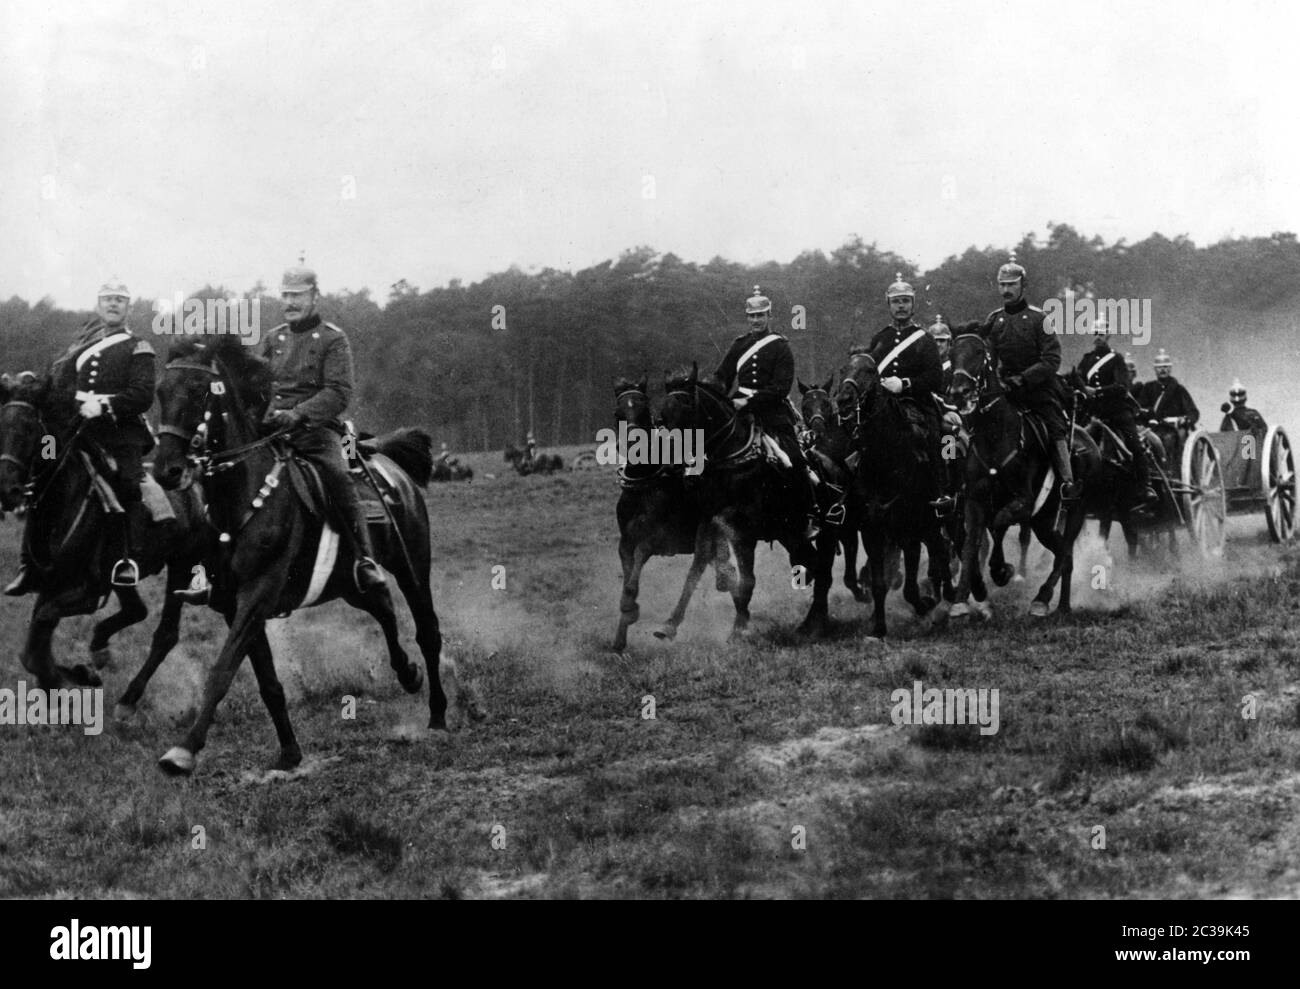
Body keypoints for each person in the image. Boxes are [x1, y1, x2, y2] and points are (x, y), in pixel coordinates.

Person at [5, 279, 156, 595]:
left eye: (119, 300)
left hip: (119, 434)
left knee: (129, 484)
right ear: (99, 306)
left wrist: (103, 404)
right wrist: (28, 384)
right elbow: (56, 383)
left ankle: (126, 562)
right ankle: (28, 565)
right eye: (107, 299)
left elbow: (142, 395)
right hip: (71, 431)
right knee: (42, 469)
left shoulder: (138, 346)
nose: (113, 304)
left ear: (127, 307)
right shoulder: (80, 345)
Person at [258, 264, 385, 592]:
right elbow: (257, 388)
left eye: (297, 295)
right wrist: (263, 413)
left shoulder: (332, 338)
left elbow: (338, 392)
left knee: (337, 475)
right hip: (272, 430)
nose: (290, 302)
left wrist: (298, 414)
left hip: (316, 431)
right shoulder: (273, 339)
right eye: (285, 295)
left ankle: (363, 558)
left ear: (315, 296)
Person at [713, 285, 820, 542]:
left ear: (769, 316)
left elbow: (780, 387)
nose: (756, 320)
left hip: (772, 414)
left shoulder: (780, 346)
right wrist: (717, 395)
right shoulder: (739, 345)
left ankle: (809, 514)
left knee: (794, 459)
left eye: (760, 315)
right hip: (739, 414)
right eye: (752, 316)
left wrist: (747, 403)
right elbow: (722, 377)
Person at [979, 255, 1079, 501]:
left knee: (1055, 426)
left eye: (1011, 284)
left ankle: (1067, 481)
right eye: (1002, 285)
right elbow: (988, 358)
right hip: (1003, 389)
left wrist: (1023, 379)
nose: (1006, 290)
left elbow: (1051, 360)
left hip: (1037, 388)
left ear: (1024, 286)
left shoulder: (1040, 318)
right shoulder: (993, 320)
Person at [863, 277, 951, 513]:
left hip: (917, 403)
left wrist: (904, 384)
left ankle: (941, 493)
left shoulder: (925, 339)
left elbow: (935, 379)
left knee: (936, 437)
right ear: (889, 305)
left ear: (913, 305)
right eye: (896, 302)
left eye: (905, 301)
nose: (901, 306)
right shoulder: (879, 339)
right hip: (883, 406)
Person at [1077, 314, 1156, 506]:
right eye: (1095, 333)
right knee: (1077, 446)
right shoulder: (1086, 360)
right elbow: (1078, 380)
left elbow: (1122, 386)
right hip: (1095, 415)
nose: (1098, 336)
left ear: (1108, 335)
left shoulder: (1116, 359)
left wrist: (1097, 391)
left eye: (1102, 333)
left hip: (1118, 412)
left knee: (1135, 446)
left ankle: (1145, 486)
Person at [1138, 349, 1199, 427]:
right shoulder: (1148, 388)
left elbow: (1193, 412)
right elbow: (1141, 408)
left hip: (1174, 428)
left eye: (1165, 366)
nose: (1163, 369)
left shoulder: (1179, 389)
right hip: (1152, 427)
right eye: (1159, 367)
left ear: (1170, 368)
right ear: (1155, 369)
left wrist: (1185, 419)